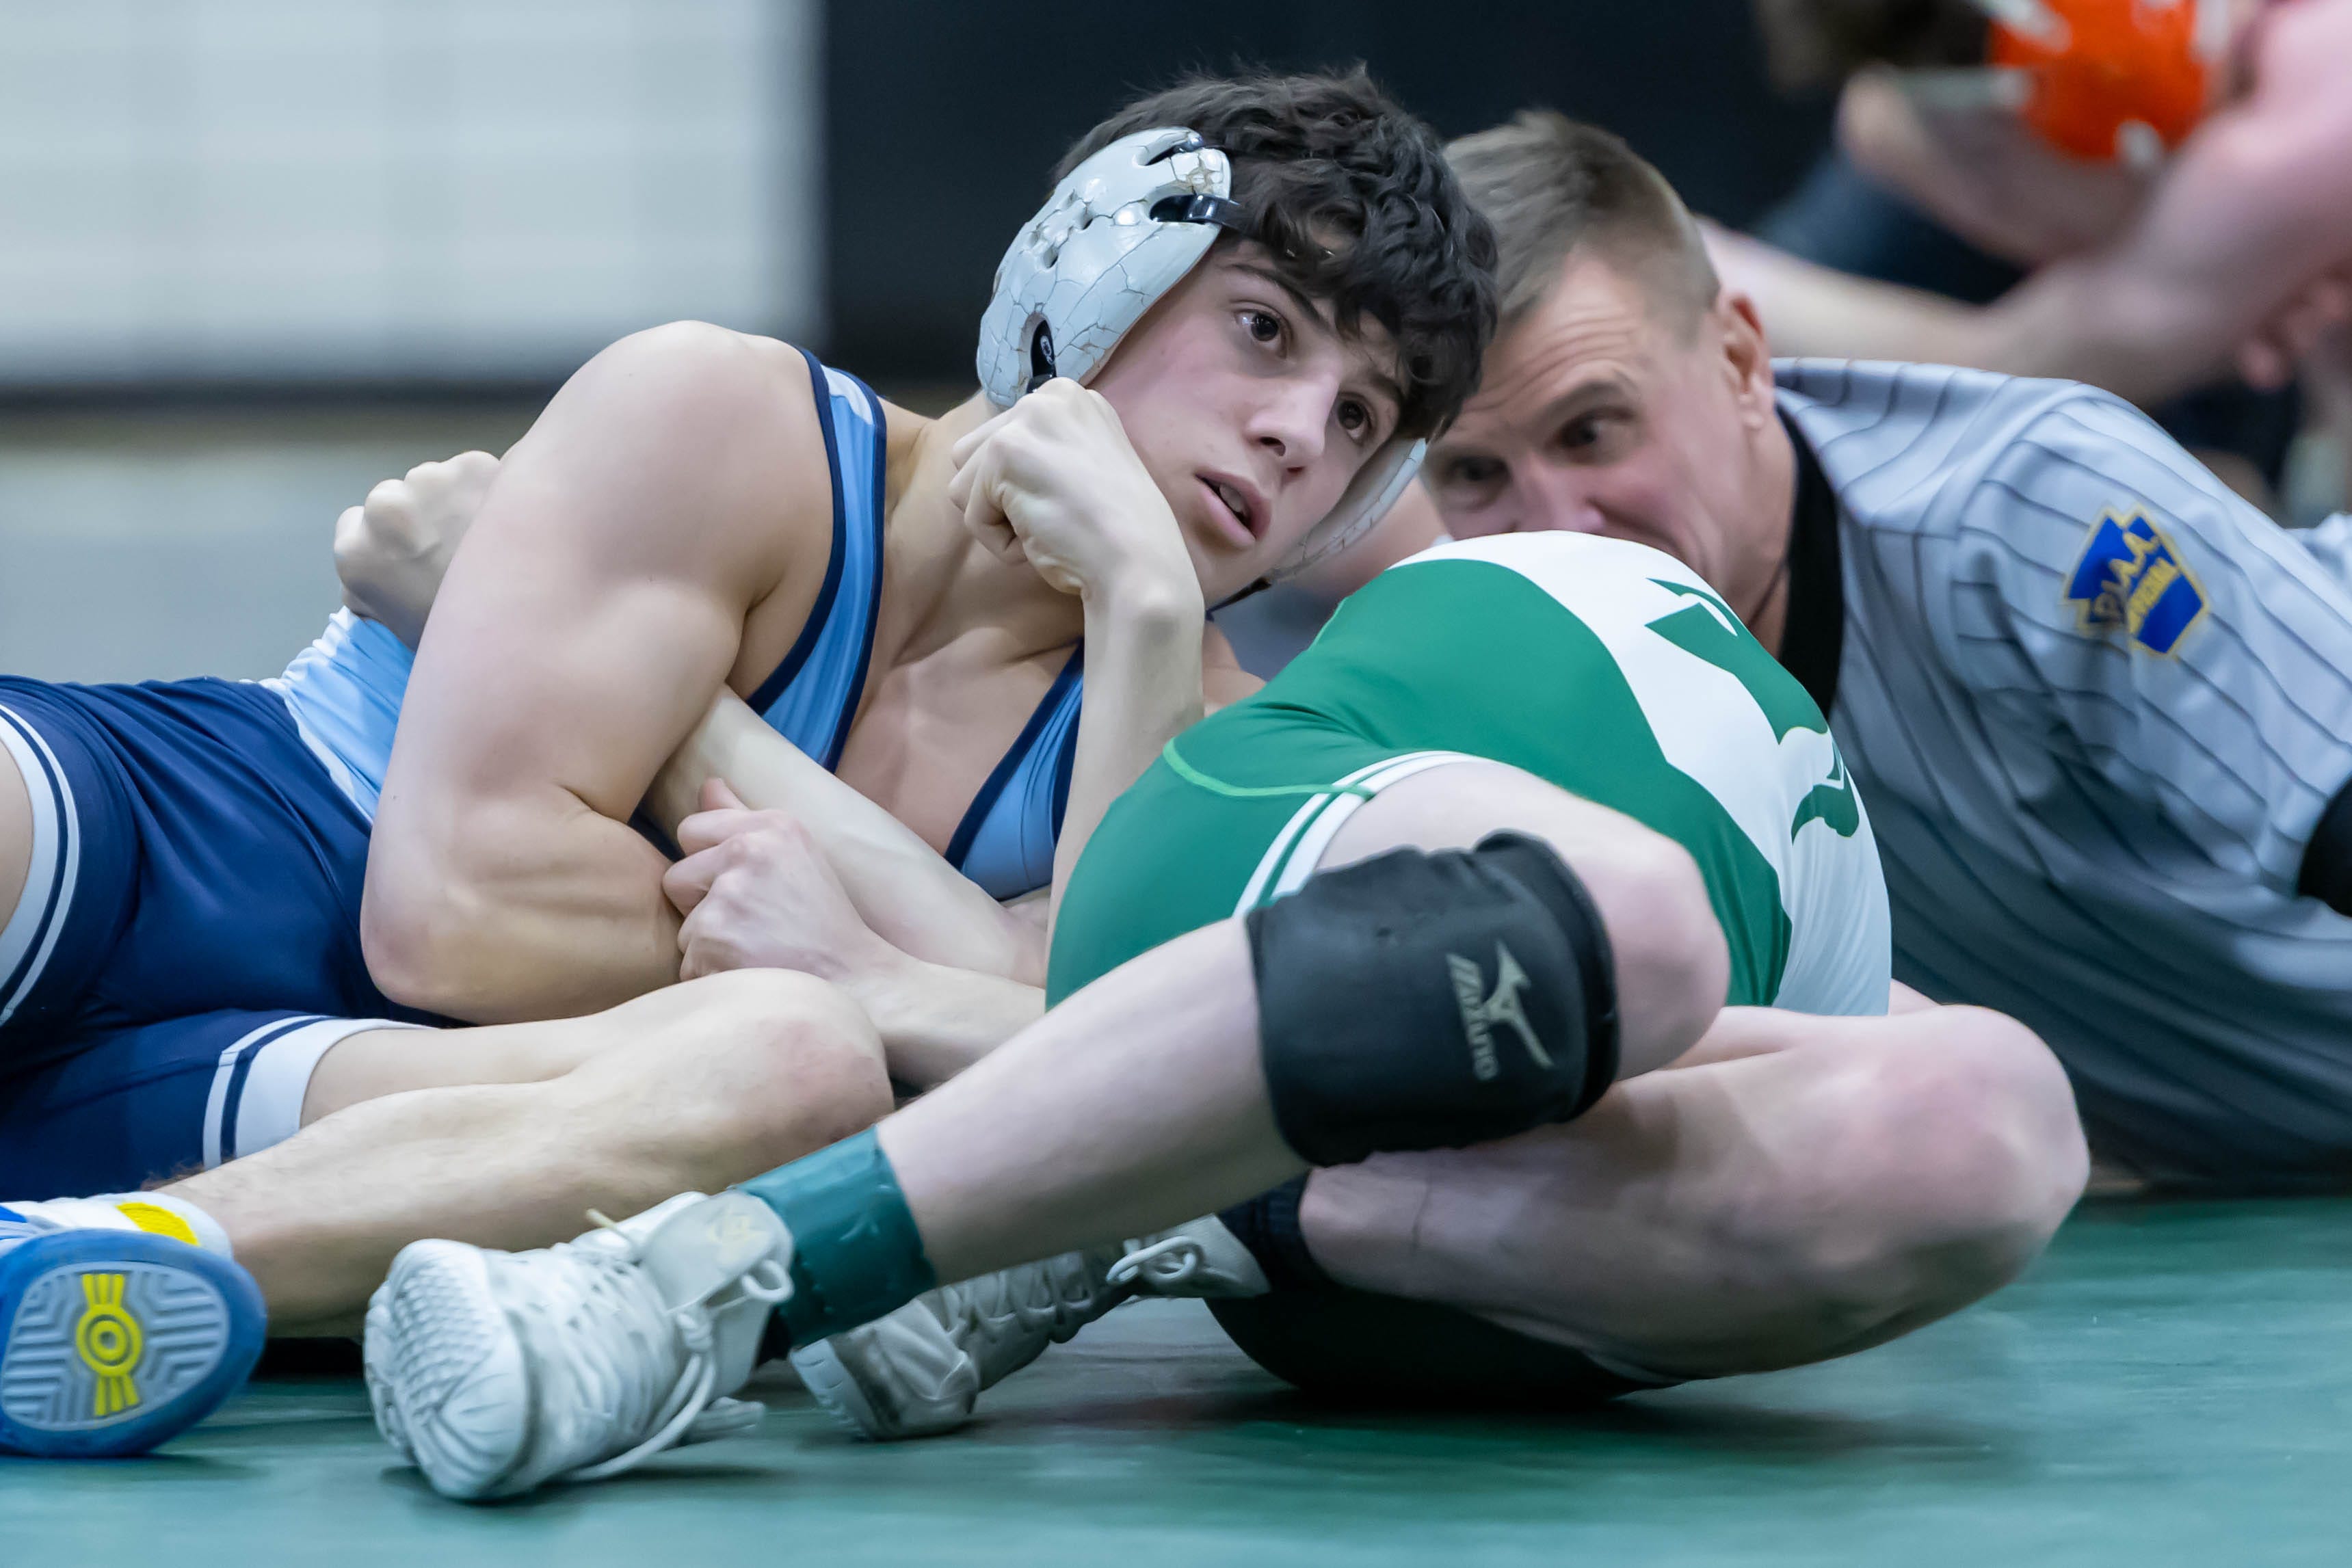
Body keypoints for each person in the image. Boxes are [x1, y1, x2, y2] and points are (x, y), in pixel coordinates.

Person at [0, 68, 1494, 1458]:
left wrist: (1145, 618)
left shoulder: (1201, 732)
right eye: (1264, 329)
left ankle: (98, 1264)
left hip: (430, 1106)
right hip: (196, 835)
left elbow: (1069, 1087)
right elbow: (455, 917)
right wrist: (905, 962)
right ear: (1096, 259)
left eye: (1357, 417)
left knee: (796, 1067)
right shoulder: (727, 419)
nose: (1296, 428)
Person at [355, 519, 2086, 1502]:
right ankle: (699, 1281)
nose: (1562, 484)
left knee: (1999, 1121)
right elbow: (1106, 949)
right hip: (1354, 992)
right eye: (1486, 455)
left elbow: (1868, 1109)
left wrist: (907, 989)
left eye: (1587, 435)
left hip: (1464, 1275)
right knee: (1639, 927)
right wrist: (1142, 586)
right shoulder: (1398, 624)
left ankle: (1155, 1182)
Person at [1417, 109, 2352, 1191]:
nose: (1555, 528)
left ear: (1738, 360)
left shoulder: (2030, 511)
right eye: (1475, 476)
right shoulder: (1507, 682)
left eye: (1591, 431)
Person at [1720, 0, 2352, 505]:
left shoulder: (2296, 137)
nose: (1976, 205)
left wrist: (1711, 281)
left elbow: (2000, 369)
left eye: (1981, 171)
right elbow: (1873, 128)